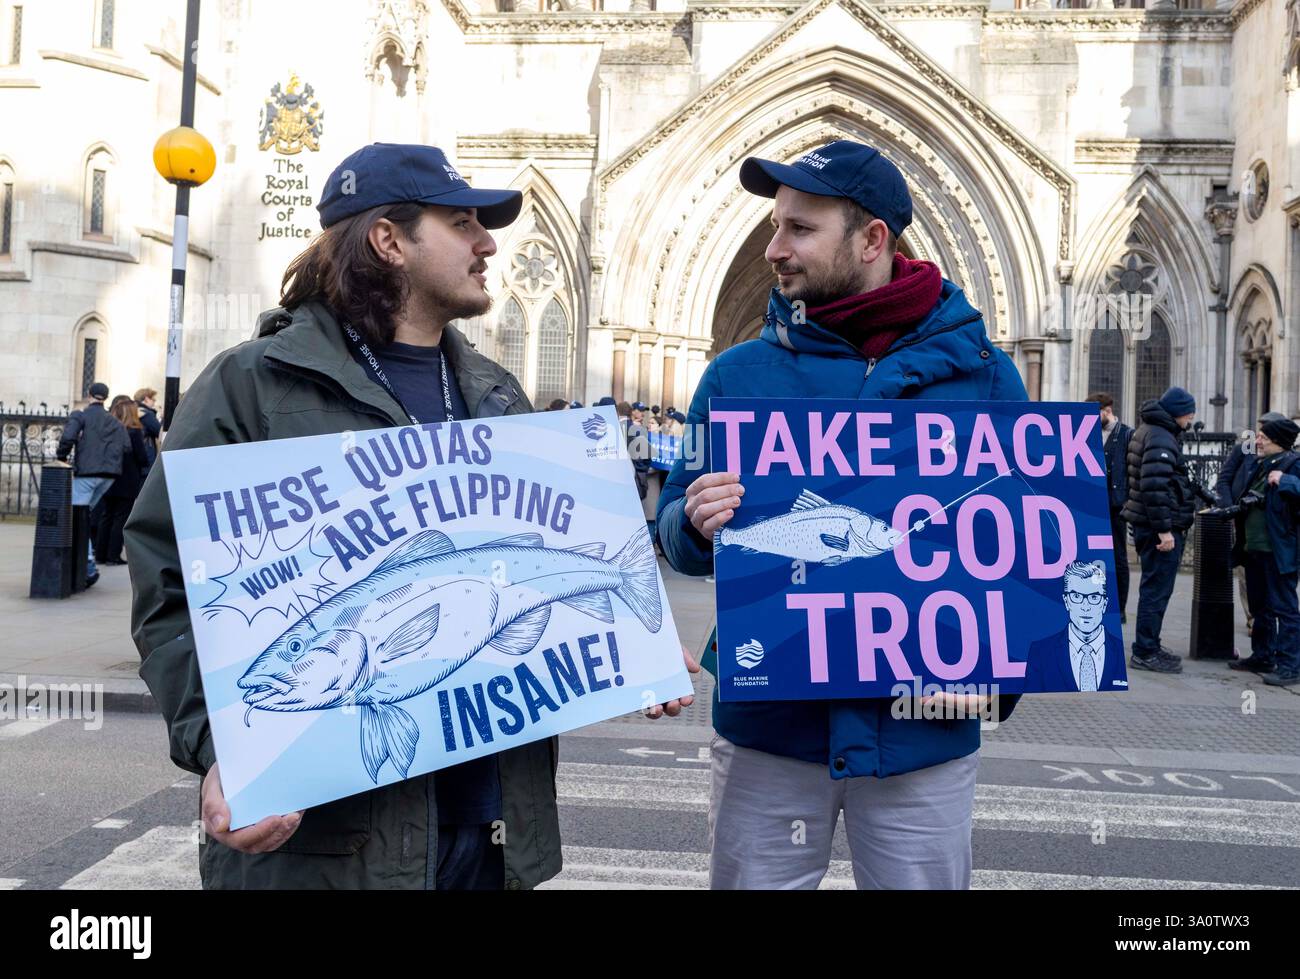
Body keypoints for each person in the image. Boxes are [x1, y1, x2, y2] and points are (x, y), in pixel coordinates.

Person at [124, 143, 695, 890]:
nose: (488, 244)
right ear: (389, 241)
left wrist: (632, 645)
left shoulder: (495, 392)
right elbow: (167, 584)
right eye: (462, 224)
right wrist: (219, 746)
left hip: (489, 835)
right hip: (336, 852)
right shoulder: (253, 384)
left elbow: (522, 580)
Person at [657, 140, 1028, 890]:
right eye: (775, 226)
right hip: (770, 728)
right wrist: (691, 522)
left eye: (799, 228)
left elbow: (1021, 552)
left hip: (921, 732)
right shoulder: (735, 375)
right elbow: (673, 525)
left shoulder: (986, 378)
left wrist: (1001, 684)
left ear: (872, 239)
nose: (774, 249)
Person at [1121, 386, 1202, 674]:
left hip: (1148, 523)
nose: (1191, 418)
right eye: (1189, 413)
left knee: (1154, 588)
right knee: (1156, 590)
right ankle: (1145, 651)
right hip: (1158, 528)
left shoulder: (1152, 431)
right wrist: (1165, 531)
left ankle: (1150, 644)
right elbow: (1154, 488)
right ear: (1178, 412)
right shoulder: (1160, 437)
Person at [1226, 416, 1300, 685]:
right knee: (1260, 606)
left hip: (1278, 550)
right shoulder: (1262, 464)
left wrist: (1286, 481)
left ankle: (1291, 665)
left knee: (1284, 607)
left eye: (1263, 438)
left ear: (1279, 442)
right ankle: (1263, 655)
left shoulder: (1293, 464)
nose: (1257, 441)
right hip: (1254, 547)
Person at [1216, 411, 1288, 643]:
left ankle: (1267, 622)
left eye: (1265, 432)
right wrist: (1230, 508)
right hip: (1243, 521)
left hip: (1269, 527)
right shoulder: (1244, 450)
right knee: (1246, 574)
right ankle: (1253, 618)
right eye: (1260, 430)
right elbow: (1224, 479)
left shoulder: (1287, 458)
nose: (1259, 438)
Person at [55, 381, 130, 588]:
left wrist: (61, 457)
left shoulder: (81, 416)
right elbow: (126, 447)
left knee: (76, 517)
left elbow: (67, 437)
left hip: (87, 474)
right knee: (84, 514)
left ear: (89, 395)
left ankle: (87, 565)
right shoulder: (115, 422)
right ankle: (82, 562)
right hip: (109, 476)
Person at [1023, 561, 1127, 692]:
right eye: (1076, 596)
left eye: (1094, 597)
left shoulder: (1119, 649)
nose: (1085, 607)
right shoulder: (1040, 651)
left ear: (1104, 604)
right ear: (1066, 601)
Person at [1085, 393, 1133, 622]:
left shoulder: (1127, 434)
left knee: (1118, 556)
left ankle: (1119, 608)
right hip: (1092, 504)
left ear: (1107, 411)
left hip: (1115, 505)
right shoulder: (1087, 433)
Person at [95, 398, 150, 565]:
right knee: (120, 518)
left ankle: (100, 554)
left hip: (109, 477)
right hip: (127, 480)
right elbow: (142, 457)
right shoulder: (134, 432)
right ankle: (113, 555)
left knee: (107, 516)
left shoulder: (109, 430)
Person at [134, 388, 162, 470]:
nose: (154, 402)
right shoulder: (147, 414)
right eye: (153, 399)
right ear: (146, 399)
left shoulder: (132, 411)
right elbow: (159, 432)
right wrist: (162, 417)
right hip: (147, 455)